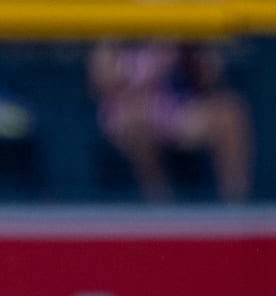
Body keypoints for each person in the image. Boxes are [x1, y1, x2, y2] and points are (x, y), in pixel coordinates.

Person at [88, 39, 253, 203]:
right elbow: (102, 79)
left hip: (176, 110)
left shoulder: (179, 32)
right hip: (128, 112)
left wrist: (189, 56)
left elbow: (210, 75)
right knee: (135, 123)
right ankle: (159, 203)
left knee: (230, 114)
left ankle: (235, 203)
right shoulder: (116, 36)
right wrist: (152, 68)